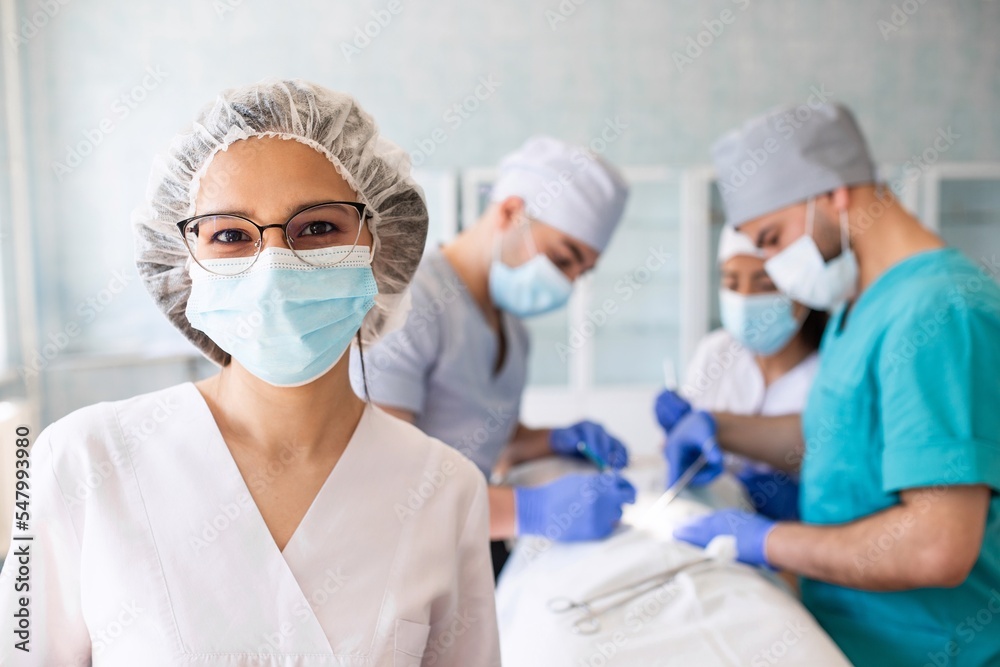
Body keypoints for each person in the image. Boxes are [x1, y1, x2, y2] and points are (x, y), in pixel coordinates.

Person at [0, 80, 500, 666]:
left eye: (317, 228)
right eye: (230, 235)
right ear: (184, 261)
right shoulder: (79, 461)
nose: (274, 267)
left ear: (381, 244)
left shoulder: (444, 489)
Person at [663, 102, 1000, 665]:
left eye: (771, 238)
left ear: (833, 194)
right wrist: (716, 427)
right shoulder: (857, 304)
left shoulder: (940, 310)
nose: (769, 261)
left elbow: (939, 545)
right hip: (847, 639)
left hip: (930, 649)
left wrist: (766, 540)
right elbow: (842, 433)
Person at [350, 136, 636, 575]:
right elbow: (385, 476)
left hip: (470, 542)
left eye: (583, 272)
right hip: (398, 560)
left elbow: (484, 441)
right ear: (509, 212)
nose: (570, 283)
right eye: (564, 259)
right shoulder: (413, 303)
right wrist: (532, 510)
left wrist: (558, 438)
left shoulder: (512, 328)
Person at [655, 225, 827, 521]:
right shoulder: (716, 351)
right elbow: (680, 450)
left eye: (765, 285)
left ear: (801, 289)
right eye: (732, 283)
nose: (745, 299)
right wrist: (679, 435)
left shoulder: (830, 368)